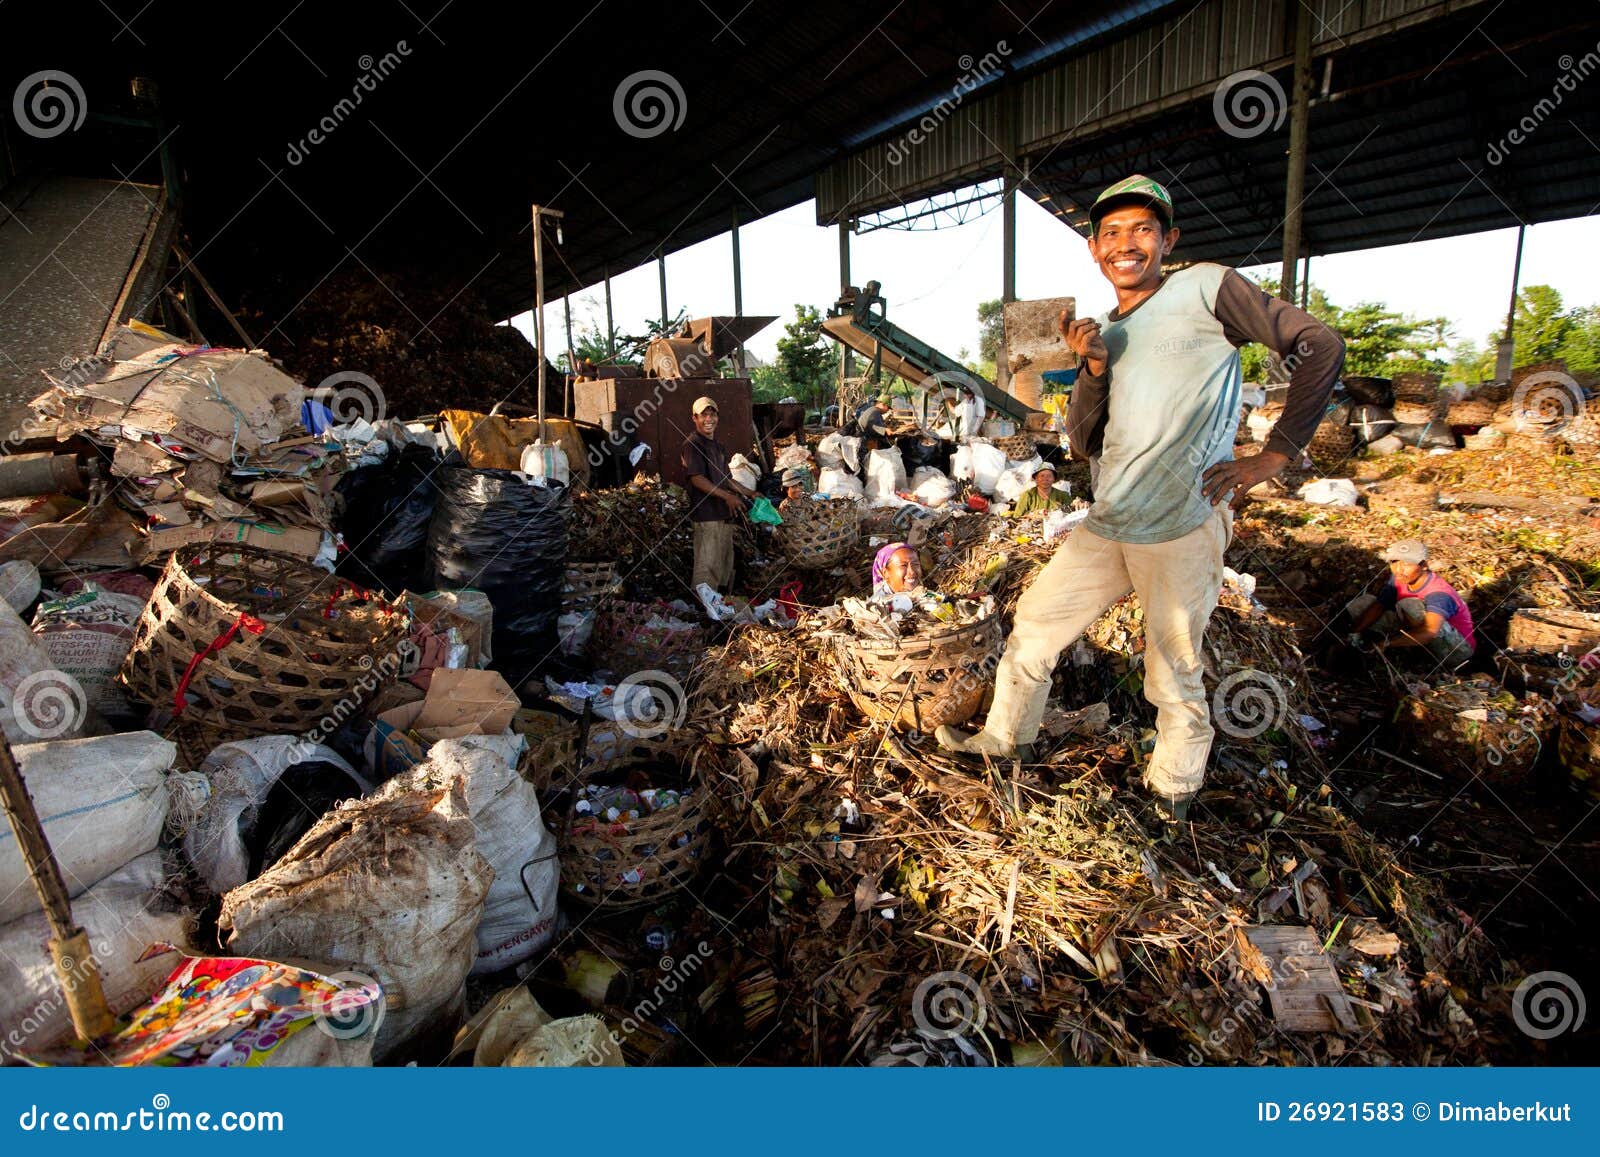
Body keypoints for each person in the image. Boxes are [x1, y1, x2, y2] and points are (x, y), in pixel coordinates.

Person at [936, 173, 1345, 822]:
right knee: (1035, 627)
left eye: (1143, 230)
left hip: (1182, 525)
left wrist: (1274, 454)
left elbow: (1319, 345)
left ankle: (1172, 794)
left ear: (1168, 239)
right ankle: (1004, 740)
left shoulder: (1206, 288)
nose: (1128, 243)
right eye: (1112, 233)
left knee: (1172, 669)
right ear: (1095, 251)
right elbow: (1080, 439)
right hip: (1110, 521)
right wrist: (1094, 367)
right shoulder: (1105, 334)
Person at [1345, 540, 1475, 669]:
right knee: (1362, 604)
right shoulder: (1399, 578)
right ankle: (1400, 648)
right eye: (1394, 563)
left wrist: (1385, 644)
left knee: (1409, 605)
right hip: (1415, 630)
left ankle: (1422, 659)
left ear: (1424, 565)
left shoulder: (1439, 594)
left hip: (1455, 650)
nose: (1399, 570)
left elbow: (1429, 632)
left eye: (1407, 564)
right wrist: (1355, 632)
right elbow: (1380, 605)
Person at [682, 396, 759, 594]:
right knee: (707, 567)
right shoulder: (693, 444)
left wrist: (749, 492)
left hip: (723, 515)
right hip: (706, 516)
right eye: (703, 415)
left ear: (717, 417)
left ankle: (720, 607)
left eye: (712, 414)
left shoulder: (717, 446)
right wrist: (727, 497)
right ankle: (703, 612)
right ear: (694, 418)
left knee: (724, 565)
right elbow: (697, 479)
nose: (709, 419)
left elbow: (725, 478)